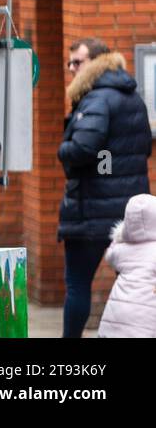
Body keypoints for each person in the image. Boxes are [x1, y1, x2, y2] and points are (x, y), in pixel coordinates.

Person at [58, 38, 152, 337]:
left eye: (78, 62)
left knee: (77, 283)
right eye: (69, 62)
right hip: (127, 215)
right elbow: (137, 151)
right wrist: (107, 163)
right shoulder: (132, 95)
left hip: (92, 210)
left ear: (97, 62)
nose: (72, 68)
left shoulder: (97, 99)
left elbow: (87, 149)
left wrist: (65, 151)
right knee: (135, 285)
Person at [97, 193, 156, 338]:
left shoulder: (122, 249)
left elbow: (110, 255)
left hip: (116, 319)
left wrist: (121, 235)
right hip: (145, 323)